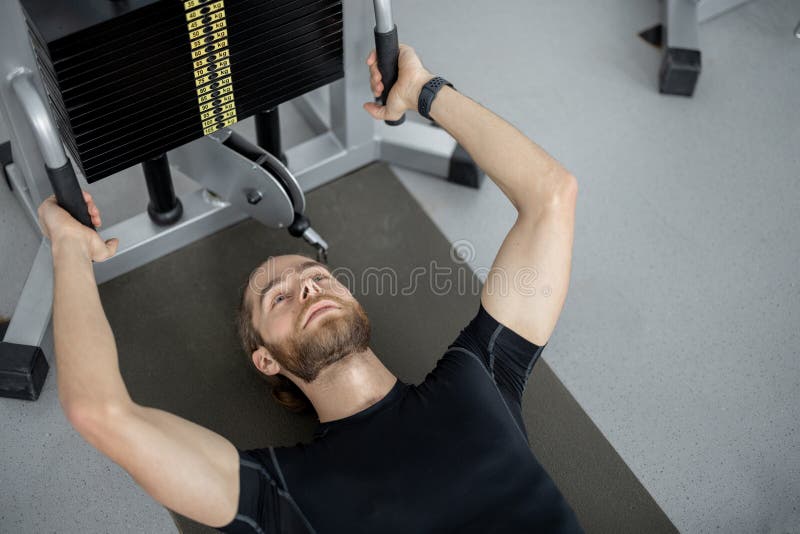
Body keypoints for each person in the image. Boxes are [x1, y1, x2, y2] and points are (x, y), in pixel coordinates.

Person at [38, 44, 580, 533]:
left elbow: (552, 195)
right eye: (277, 296)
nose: (306, 289)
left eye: (317, 276)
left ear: (353, 301)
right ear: (266, 360)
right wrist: (68, 247)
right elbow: (100, 412)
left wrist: (422, 91)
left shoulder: (479, 375)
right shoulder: (277, 491)